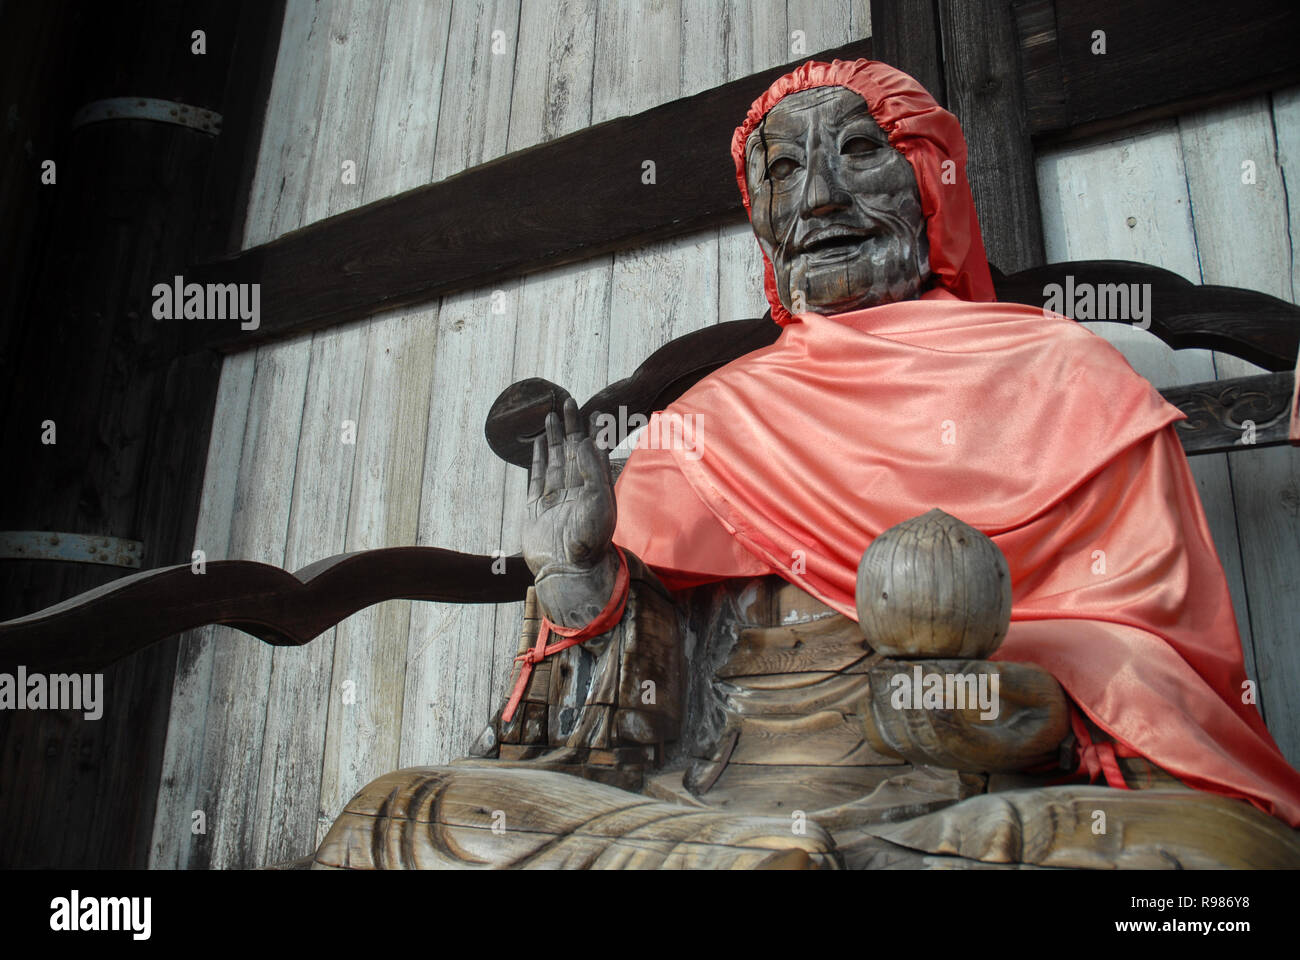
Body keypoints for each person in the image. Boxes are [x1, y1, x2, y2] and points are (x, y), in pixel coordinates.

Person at [312, 59, 1300, 869]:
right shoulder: (713, 416)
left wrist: (983, 699)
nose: (819, 197)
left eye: (860, 152)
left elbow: (1148, 665)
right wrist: (580, 586)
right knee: (397, 818)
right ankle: (758, 859)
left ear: (929, 180)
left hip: (964, 810)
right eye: (782, 174)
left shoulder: (1061, 376)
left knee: (1215, 867)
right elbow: (623, 733)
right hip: (711, 802)